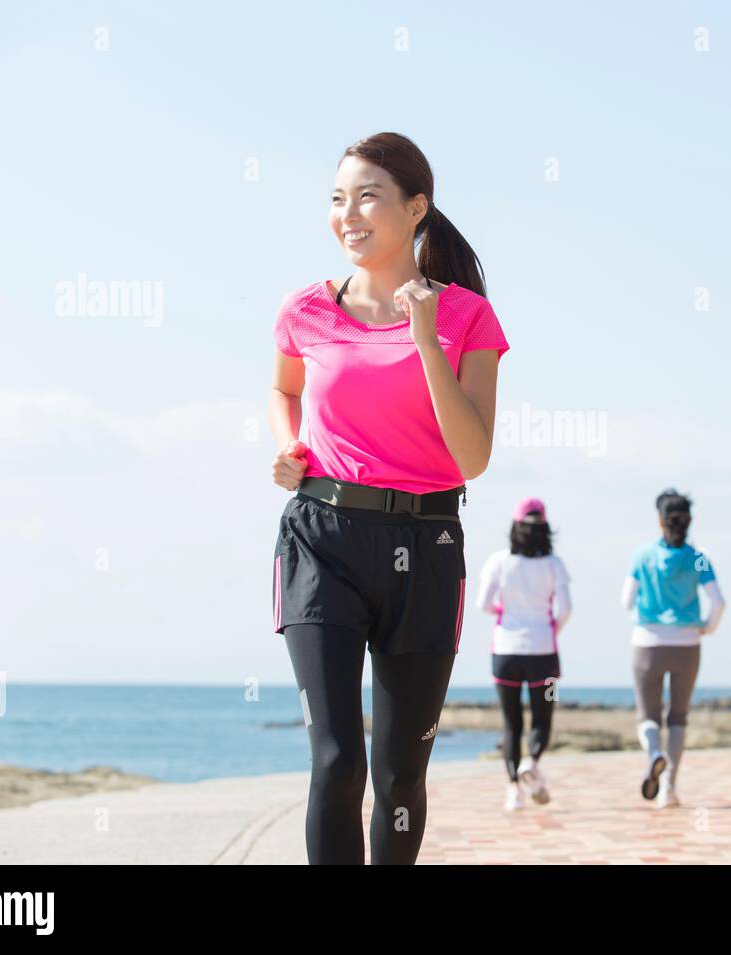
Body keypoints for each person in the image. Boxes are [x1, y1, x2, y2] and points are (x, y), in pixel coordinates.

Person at [268, 132, 510, 864]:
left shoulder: (467, 317)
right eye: (338, 199)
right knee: (339, 759)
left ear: (416, 208)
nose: (349, 214)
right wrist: (288, 444)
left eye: (368, 196)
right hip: (322, 537)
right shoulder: (304, 309)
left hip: (426, 546)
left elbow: (472, 456)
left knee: (401, 775)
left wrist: (426, 337)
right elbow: (285, 387)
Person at [621, 488, 726, 809]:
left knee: (647, 717)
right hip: (687, 644)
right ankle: (669, 789)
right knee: (678, 717)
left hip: (648, 642)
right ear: (689, 520)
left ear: (659, 520)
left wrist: (646, 617)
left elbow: (626, 601)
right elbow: (719, 602)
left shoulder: (642, 555)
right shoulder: (698, 557)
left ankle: (655, 754)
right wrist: (705, 628)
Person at [476, 498, 571, 811]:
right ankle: (531, 761)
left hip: (505, 652)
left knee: (511, 723)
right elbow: (565, 609)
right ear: (545, 529)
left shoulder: (498, 561)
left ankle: (513, 790)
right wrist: (550, 628)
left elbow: (483, 604)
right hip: (543, 652)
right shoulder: (554, 565)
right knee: (543, 718)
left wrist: (503, 611)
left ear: (515, 527)